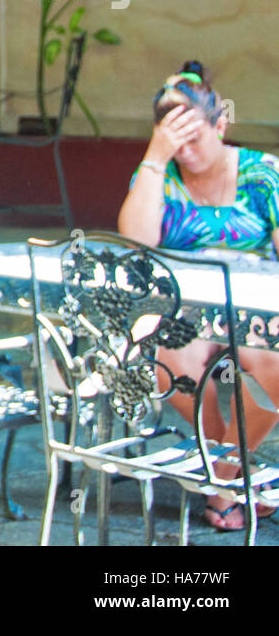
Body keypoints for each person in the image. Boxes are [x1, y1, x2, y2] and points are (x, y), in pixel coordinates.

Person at [117, 61, 279, 530]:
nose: (186, 152)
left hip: (254, 303)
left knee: (273, 366)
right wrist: (156, 155)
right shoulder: (158, 175)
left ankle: (222, 475)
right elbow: (139, 242)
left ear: (221, 123)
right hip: (184, 305)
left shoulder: (262, 173)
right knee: (171, 364)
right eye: (175, 140)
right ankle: (226, 473)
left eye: (196, 137)